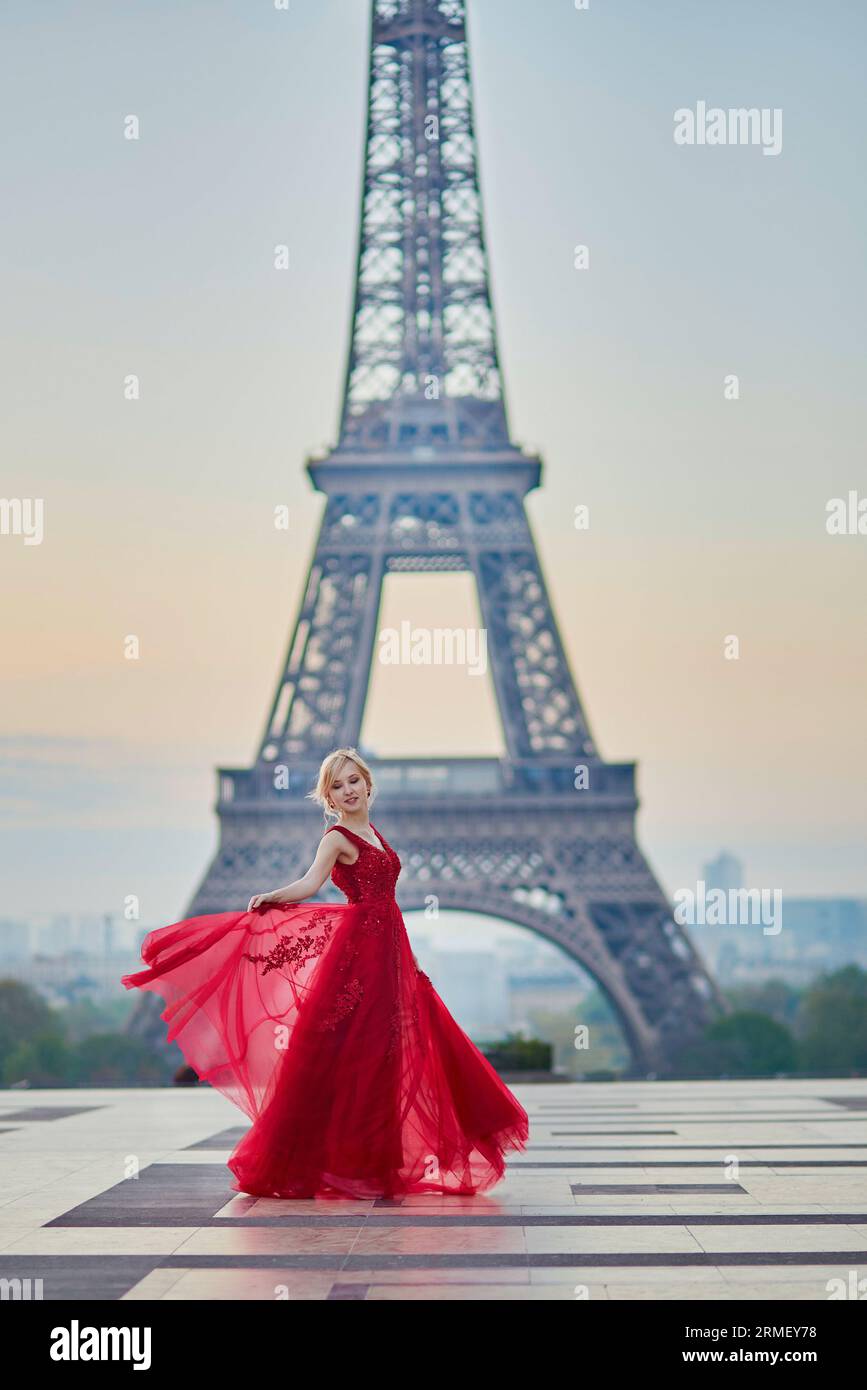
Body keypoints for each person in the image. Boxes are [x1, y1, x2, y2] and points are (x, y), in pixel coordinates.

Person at [122, 746, 529, 1199]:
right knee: (354, 1054)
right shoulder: (336, 838)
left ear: (368, 784)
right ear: (329, 798)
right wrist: (276, 895)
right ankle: (341, 1162)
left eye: (353, 780)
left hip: (389, 949)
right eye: (337, 785)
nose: (348, 790)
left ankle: (379, 1161)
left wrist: (408, 955)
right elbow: (312, 882)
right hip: (360, 957)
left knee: (390, 1057)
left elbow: (389, 905)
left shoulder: (374, 832)